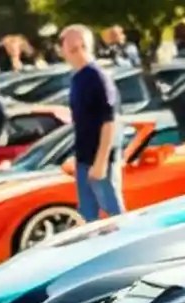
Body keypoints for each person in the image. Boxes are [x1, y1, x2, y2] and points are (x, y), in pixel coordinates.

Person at [61, 24, 125, 221]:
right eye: (68, 47)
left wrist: (101, 163)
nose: (73, 52)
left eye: (77, 46)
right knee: (89, 219)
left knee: (115, 216)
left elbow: (109, 122)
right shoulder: (78, 78)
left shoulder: (97, 77)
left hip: (99, 161)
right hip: (84, 159)